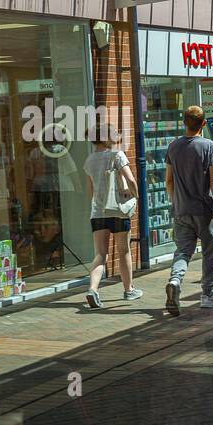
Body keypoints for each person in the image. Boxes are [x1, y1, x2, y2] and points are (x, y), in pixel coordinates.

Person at [164, 105, 213, 315]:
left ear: (184, 122)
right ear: (204, 123)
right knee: (209, 252)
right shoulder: (208, 146)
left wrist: (176, 202)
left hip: (181, 209)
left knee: (183, 251)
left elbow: (169, 181)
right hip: (204, 209)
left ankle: (175, 280)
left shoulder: (173, 147)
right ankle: (207, 295)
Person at [82, 123, 141, 308]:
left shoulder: (89, 160)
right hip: (118, 211)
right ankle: (129, 290)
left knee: (100, 254)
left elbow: (90, 191)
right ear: (106, 137)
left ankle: (92, 289)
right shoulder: (117, 155)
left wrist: (97, 205)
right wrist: (136, 197)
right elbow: (130, 180)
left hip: (98, 212)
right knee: (123, 251)